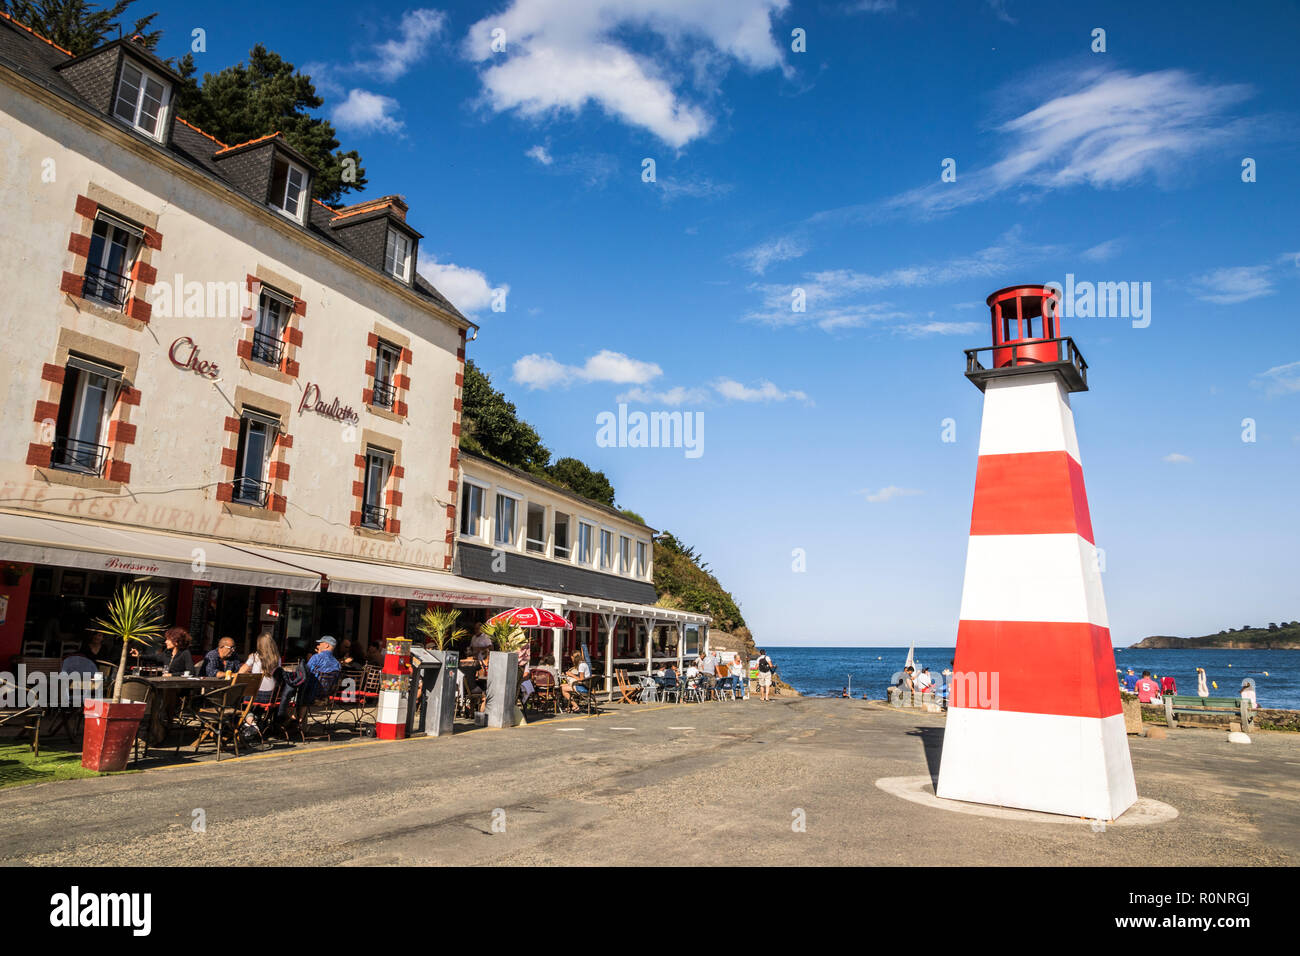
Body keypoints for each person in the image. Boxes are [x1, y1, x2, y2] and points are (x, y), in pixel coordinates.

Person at [238, 632, 282, 704]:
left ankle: (249, 714)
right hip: (271, 696)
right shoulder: (277, 658)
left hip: (255, 695)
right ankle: (255, 714)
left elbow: (240, 673)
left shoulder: (254, 656)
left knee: (243, 697)